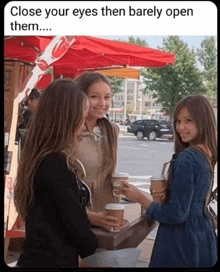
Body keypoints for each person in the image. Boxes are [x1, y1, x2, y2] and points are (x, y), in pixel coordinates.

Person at [120, 94, 217, 268]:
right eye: (178, 121)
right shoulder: (208, 153)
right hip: (203, 237)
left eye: (188, 120)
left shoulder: (187, 158)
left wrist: (139, 198)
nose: (181, 127)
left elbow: (176, 214)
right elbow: (193, 198)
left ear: (203, 121)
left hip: (181, 245)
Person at [14, 79, 98, 268]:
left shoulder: (38, 157)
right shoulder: (55, 164)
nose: (84, 126)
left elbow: (52, 214)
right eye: (82, 118)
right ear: (68, 118)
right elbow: (83, 239)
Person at [74, 72, 120, 230]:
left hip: (107, 212)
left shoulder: (112, 130)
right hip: (76, 214)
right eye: (94, 96)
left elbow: (110, 171)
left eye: (107, 97)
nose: (102, 103)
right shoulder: (69, 131)